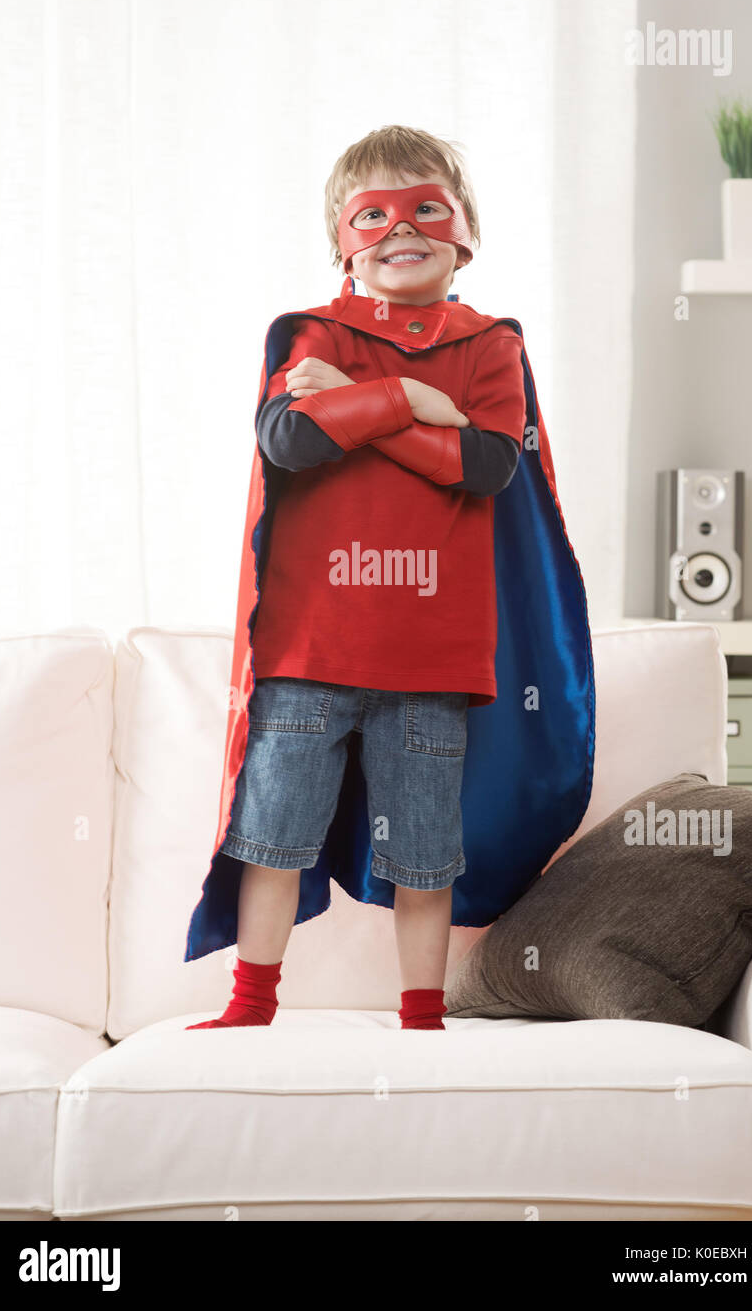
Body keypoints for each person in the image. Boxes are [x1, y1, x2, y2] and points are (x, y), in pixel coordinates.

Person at [184, 125, 595, 1031]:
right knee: (273, 837)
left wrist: (358, 406)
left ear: (465, 232)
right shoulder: (312, 336)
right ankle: (251, 1007)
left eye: (423, 208)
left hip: (432, 659)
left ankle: (421, 1016)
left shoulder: (490, 347)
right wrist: (410, 402)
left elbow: (487, 464)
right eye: (372, 214)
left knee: (423, 851)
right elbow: (288, 440)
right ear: (344, 241)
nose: (398, 229)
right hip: (310, 646)